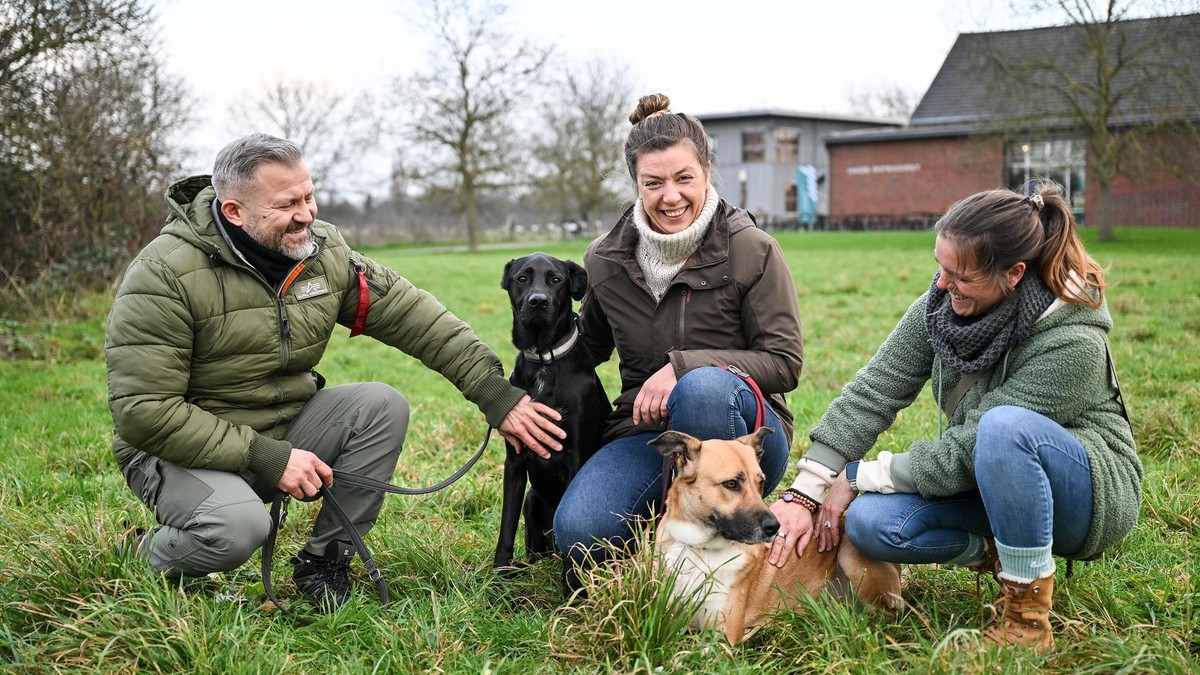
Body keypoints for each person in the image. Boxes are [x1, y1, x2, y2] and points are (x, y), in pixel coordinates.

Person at [106, 133, 565, 611]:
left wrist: (494, 392)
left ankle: (324, 562)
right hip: (176, 452)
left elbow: (414, 317)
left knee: (380, 405)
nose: (306, 214)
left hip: (279, 429)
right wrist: (268, 457)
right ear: (234, 211)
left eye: (309, 196)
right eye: (287, 204)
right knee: (237, 529)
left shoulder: (321, 252)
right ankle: (141, 554)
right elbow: (144, 412)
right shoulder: (163, 274)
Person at [766, 183, 1142, 651]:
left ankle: (1026, 620)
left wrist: (865, 474)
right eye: (940, 267)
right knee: (870, 523)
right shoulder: (939, 307)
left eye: (960, 275)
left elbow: (971, 446)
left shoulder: (1072, 342)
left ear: (1014, 273)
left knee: (1003, 428)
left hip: (1083, 497)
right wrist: (808, 490)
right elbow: (876, 389)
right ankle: (997, 550)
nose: (943, 285)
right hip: (990, 478)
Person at [552, 94, 805, 588]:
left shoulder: (752, 249)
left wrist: (683, 367)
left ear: (707, 172)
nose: (671, 196)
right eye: (654, 182)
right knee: (581, 533)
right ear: (636, 185)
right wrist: (524, 378)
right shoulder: (605, 259)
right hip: (646, 435)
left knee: (703, 389)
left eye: (684, 178)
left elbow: (785, 362)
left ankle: (721, 568)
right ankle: (664, 542)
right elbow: (588, 349)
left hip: (741, 439)